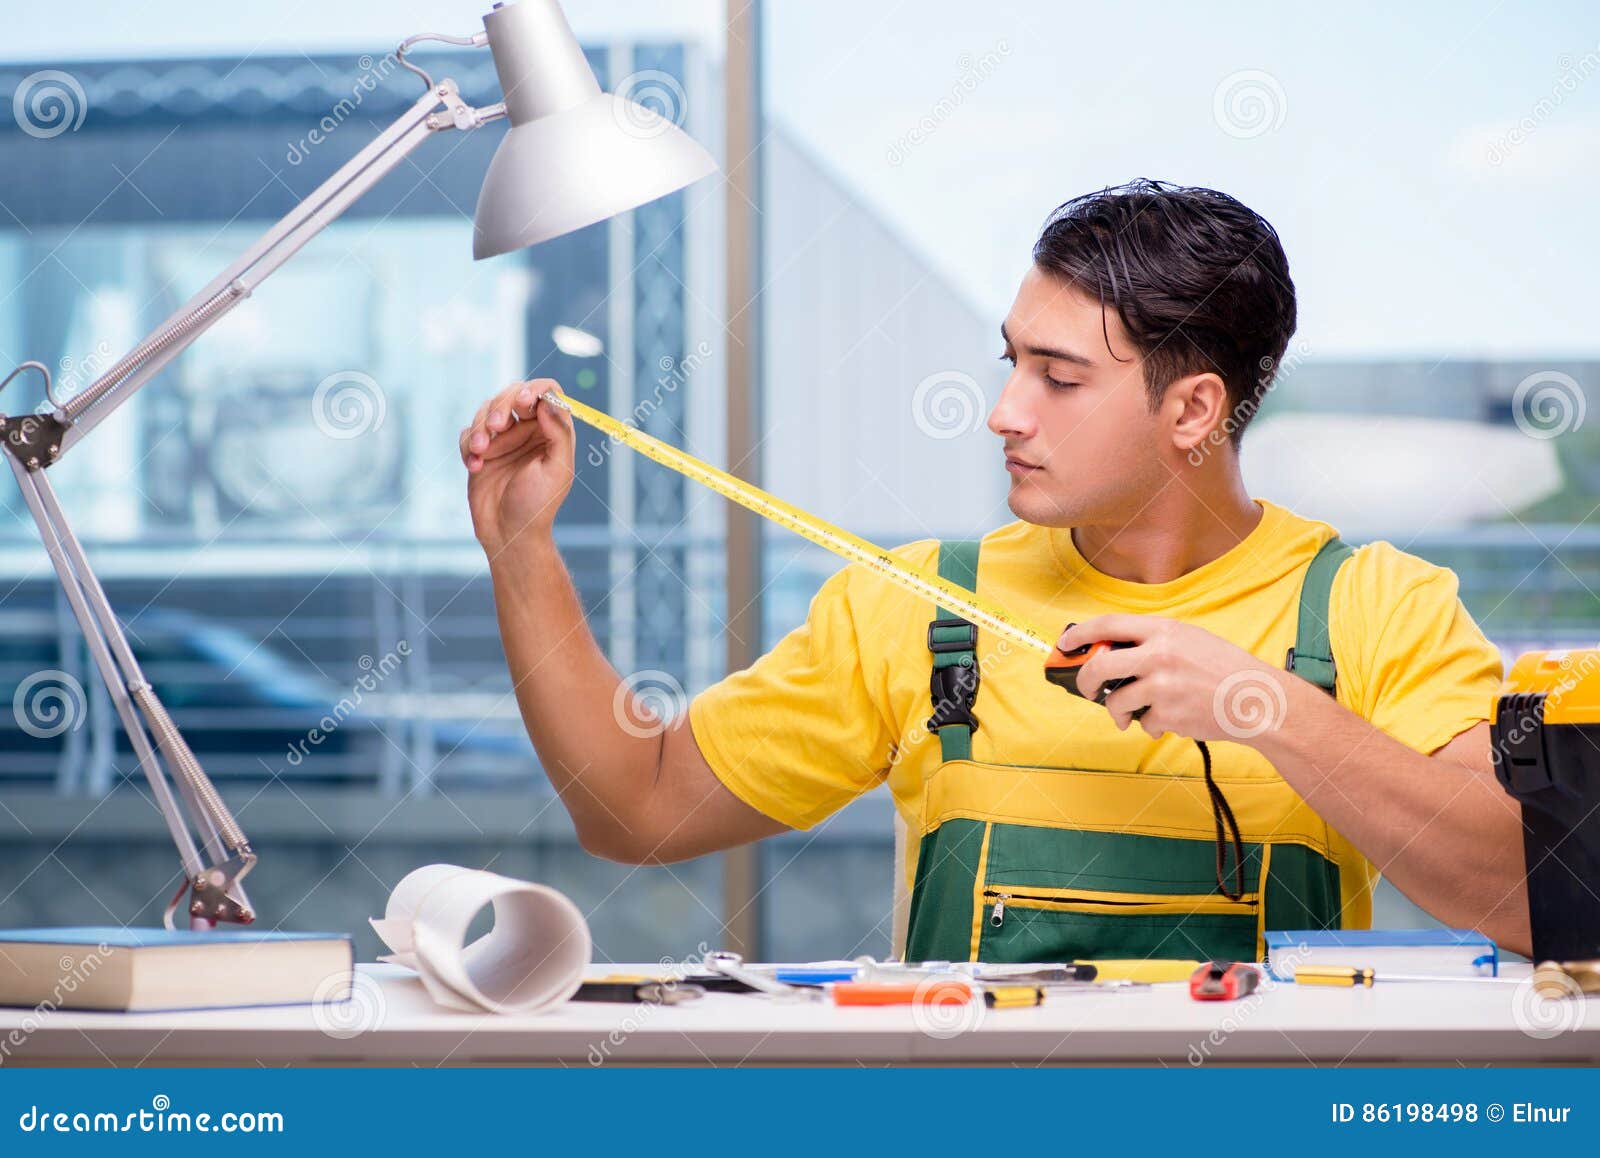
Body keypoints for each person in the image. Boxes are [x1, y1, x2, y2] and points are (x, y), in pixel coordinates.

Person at [458, 179, 1530, 961]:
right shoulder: (920, 605)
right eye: (1011, 362)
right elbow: (636, 809)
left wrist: (1265, 708)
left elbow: (1526, 896)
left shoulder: (1375, 608)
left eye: (1059, 378)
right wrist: (520, 549)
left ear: (1193, 409)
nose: (1004, 412)